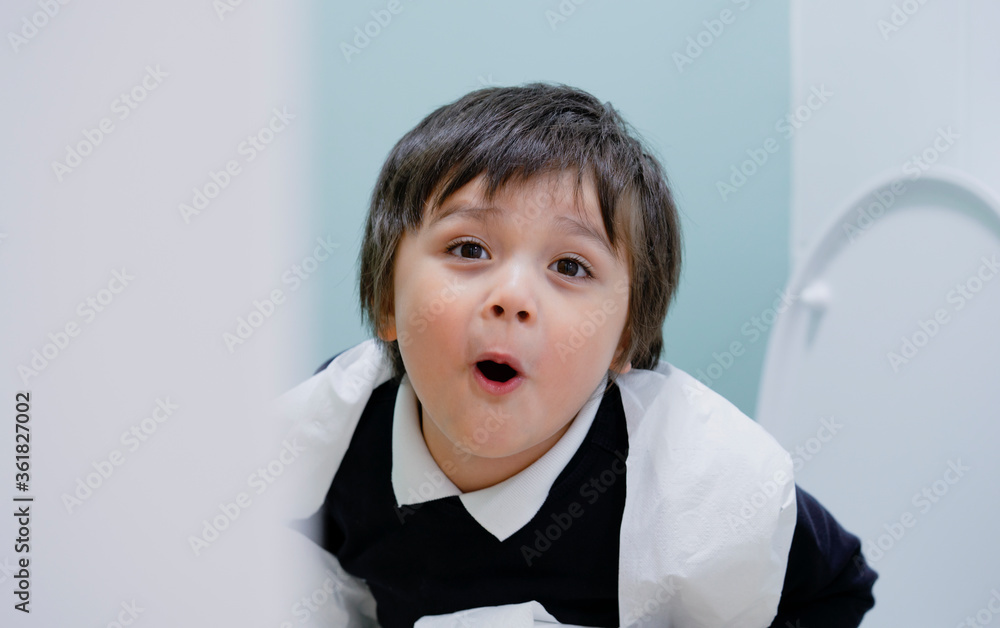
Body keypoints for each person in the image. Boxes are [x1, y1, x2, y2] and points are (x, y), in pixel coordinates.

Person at [275, 83, 877, 627]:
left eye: (569, 266)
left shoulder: (697, 478)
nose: (511, 297)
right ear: (387, 302)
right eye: (468, 247)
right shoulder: (335, 434)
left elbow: (839, 588)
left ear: (624, 340)